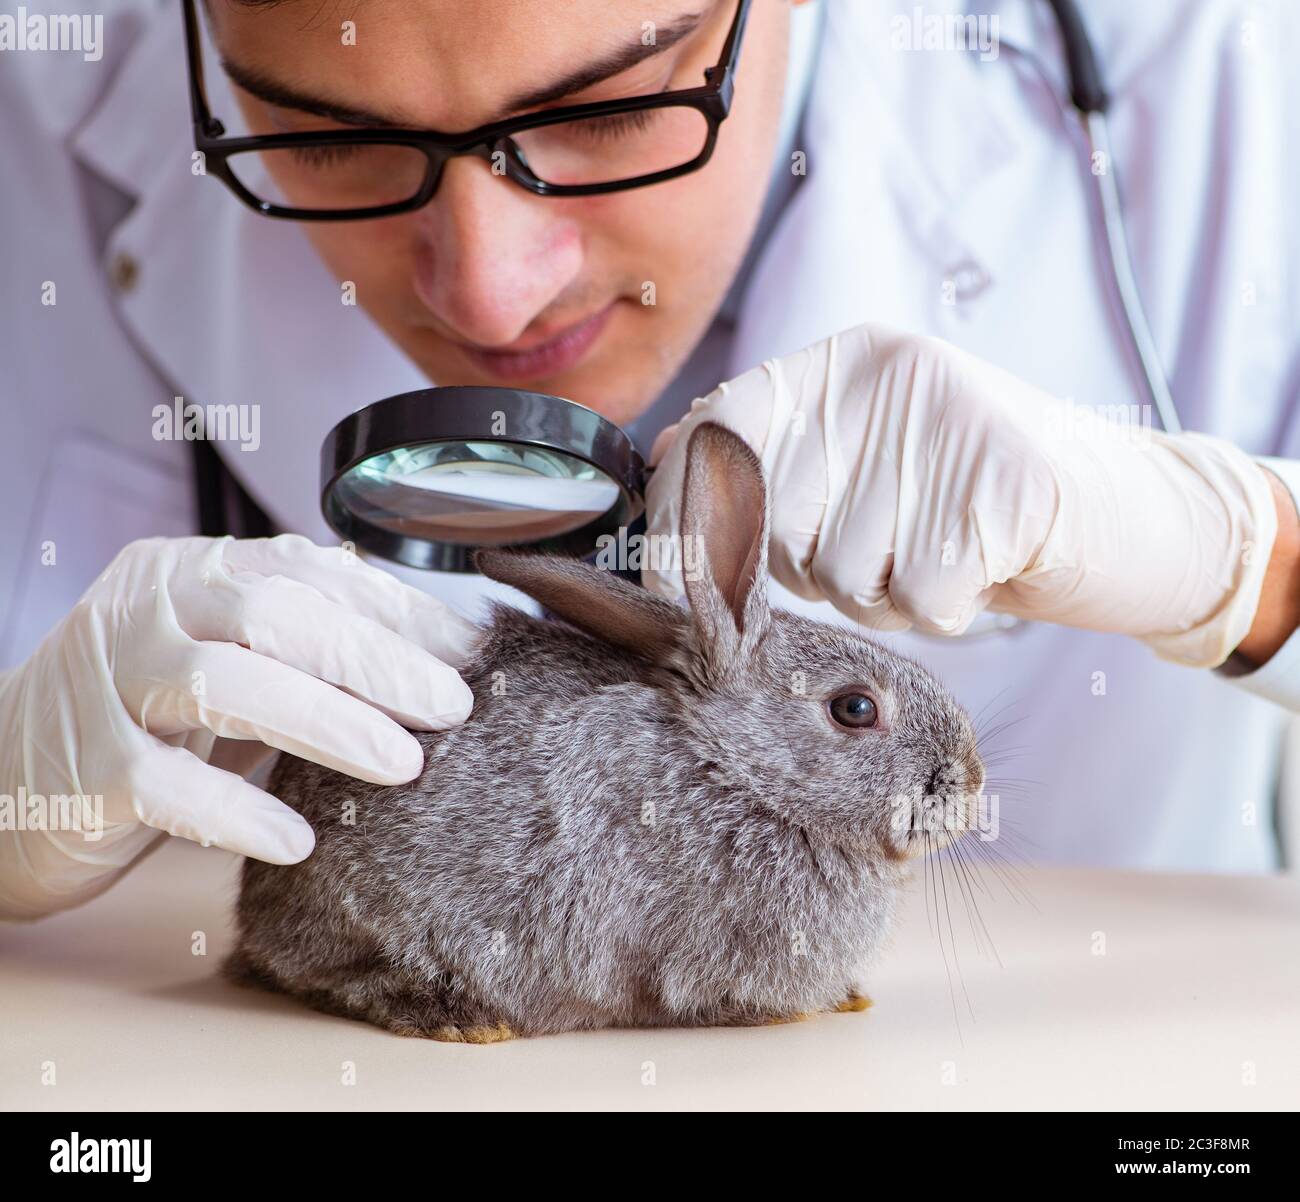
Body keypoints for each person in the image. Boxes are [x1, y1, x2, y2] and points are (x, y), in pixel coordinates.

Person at [2, 0, 1298, 920]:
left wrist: (1244, 564)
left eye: (612, 105)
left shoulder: (1220, 79)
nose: (493, 294)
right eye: (328, 134)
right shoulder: (36, 100)